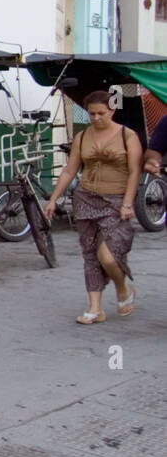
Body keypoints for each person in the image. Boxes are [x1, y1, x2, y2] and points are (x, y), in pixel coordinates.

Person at [45, 90, 141, 325]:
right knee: (90, 254)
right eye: (91, 114)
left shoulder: (127, 136)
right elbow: (70, 170)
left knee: (108, 256)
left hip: (116, 201)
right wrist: (53, 199)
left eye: (101, 113)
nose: (96, 118)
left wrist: (128, 202)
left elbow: (135, 171)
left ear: (112, 111)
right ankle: (95, 308)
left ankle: (122, 287)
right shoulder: (82, 137)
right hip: (86, 199)